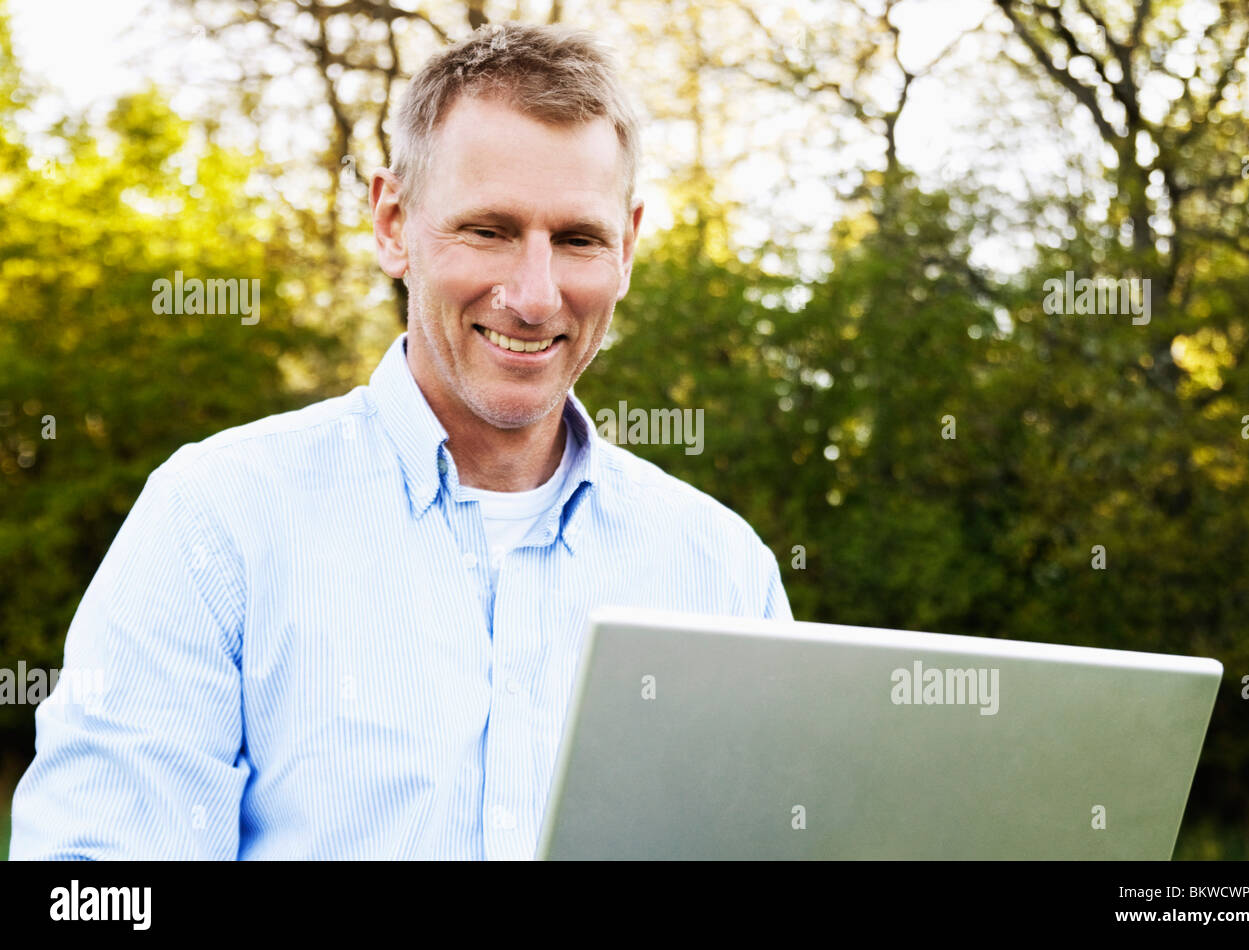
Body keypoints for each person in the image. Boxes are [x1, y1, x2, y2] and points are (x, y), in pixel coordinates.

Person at [10, 21, 791, 860]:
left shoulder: (721, 568)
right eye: (488, 230)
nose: (533, 296)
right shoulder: (217, 521)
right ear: (393, 223)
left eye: (578, 239)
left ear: (628, 246)